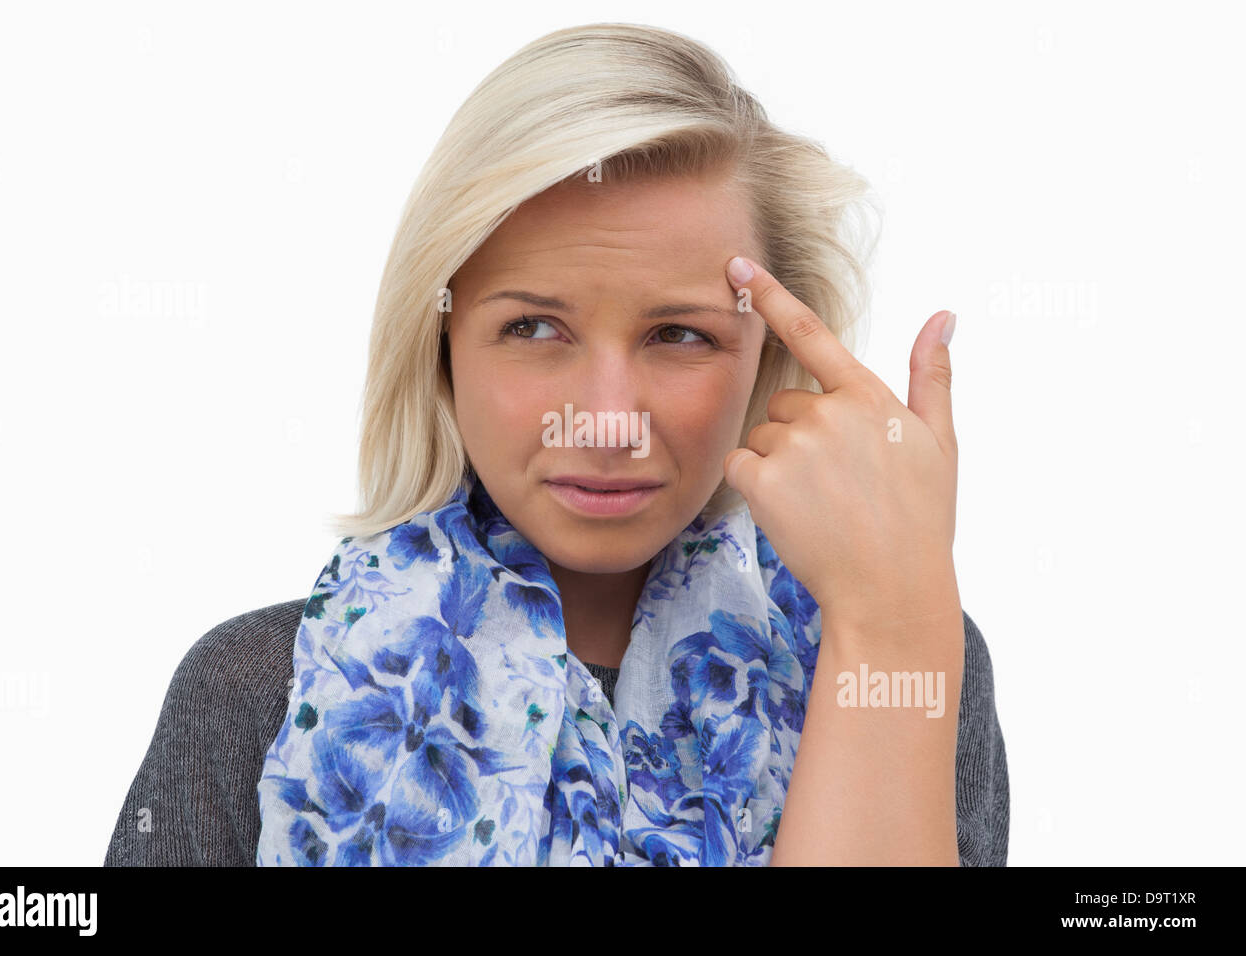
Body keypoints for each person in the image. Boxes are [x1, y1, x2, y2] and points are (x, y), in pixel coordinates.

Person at [104, 22, 1009, 867]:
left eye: (680, 335)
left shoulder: (906, 650)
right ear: (442, 347)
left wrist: (892, 619)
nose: (607, 420)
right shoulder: (257, 692)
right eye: (535, 328)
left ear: (767, 359)